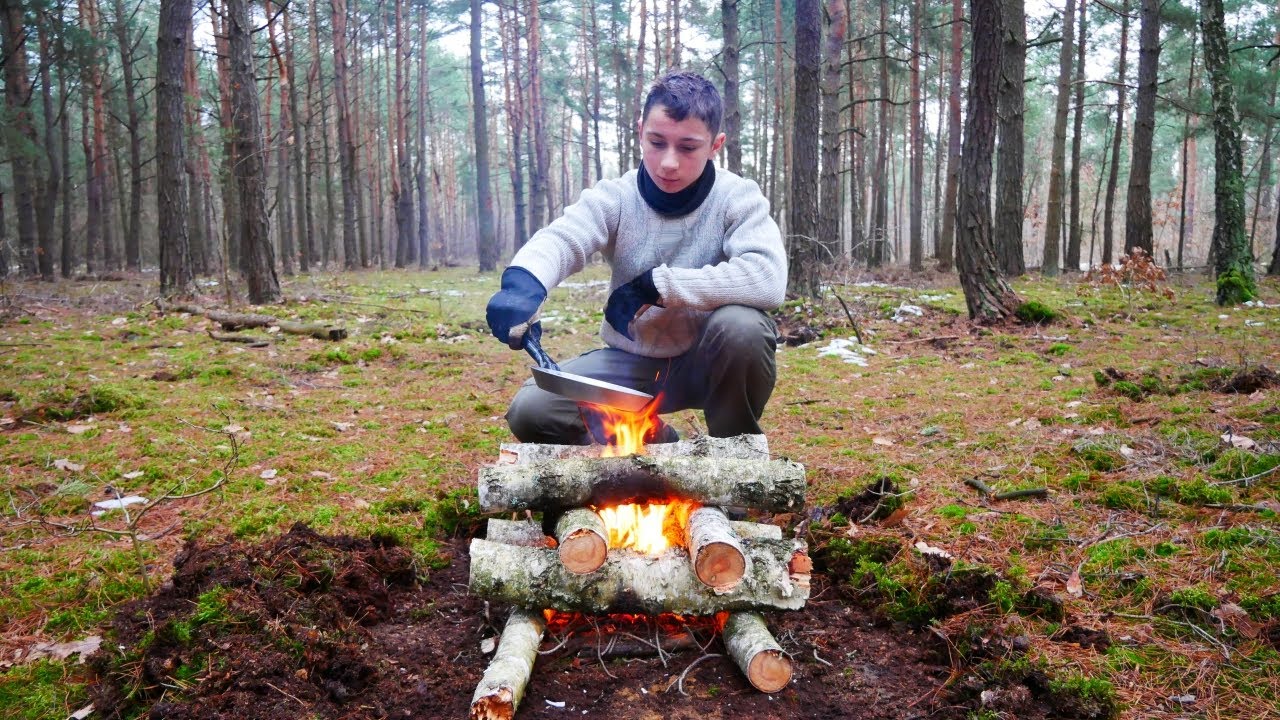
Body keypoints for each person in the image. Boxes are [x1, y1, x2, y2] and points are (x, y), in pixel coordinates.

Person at [485, 70, 787, 444]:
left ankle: (735, 459)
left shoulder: (737, 197)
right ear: (641, 130)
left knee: (744, 328)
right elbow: (562, 239)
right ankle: (658, 442)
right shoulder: (616, 197)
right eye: (656, 142)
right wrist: (523, 284)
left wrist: (659, 286)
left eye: (688, 147)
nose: (668, 163)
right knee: (533, 410)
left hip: (712, 361)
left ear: (715, 145)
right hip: (633, 365)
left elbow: (767, 278)